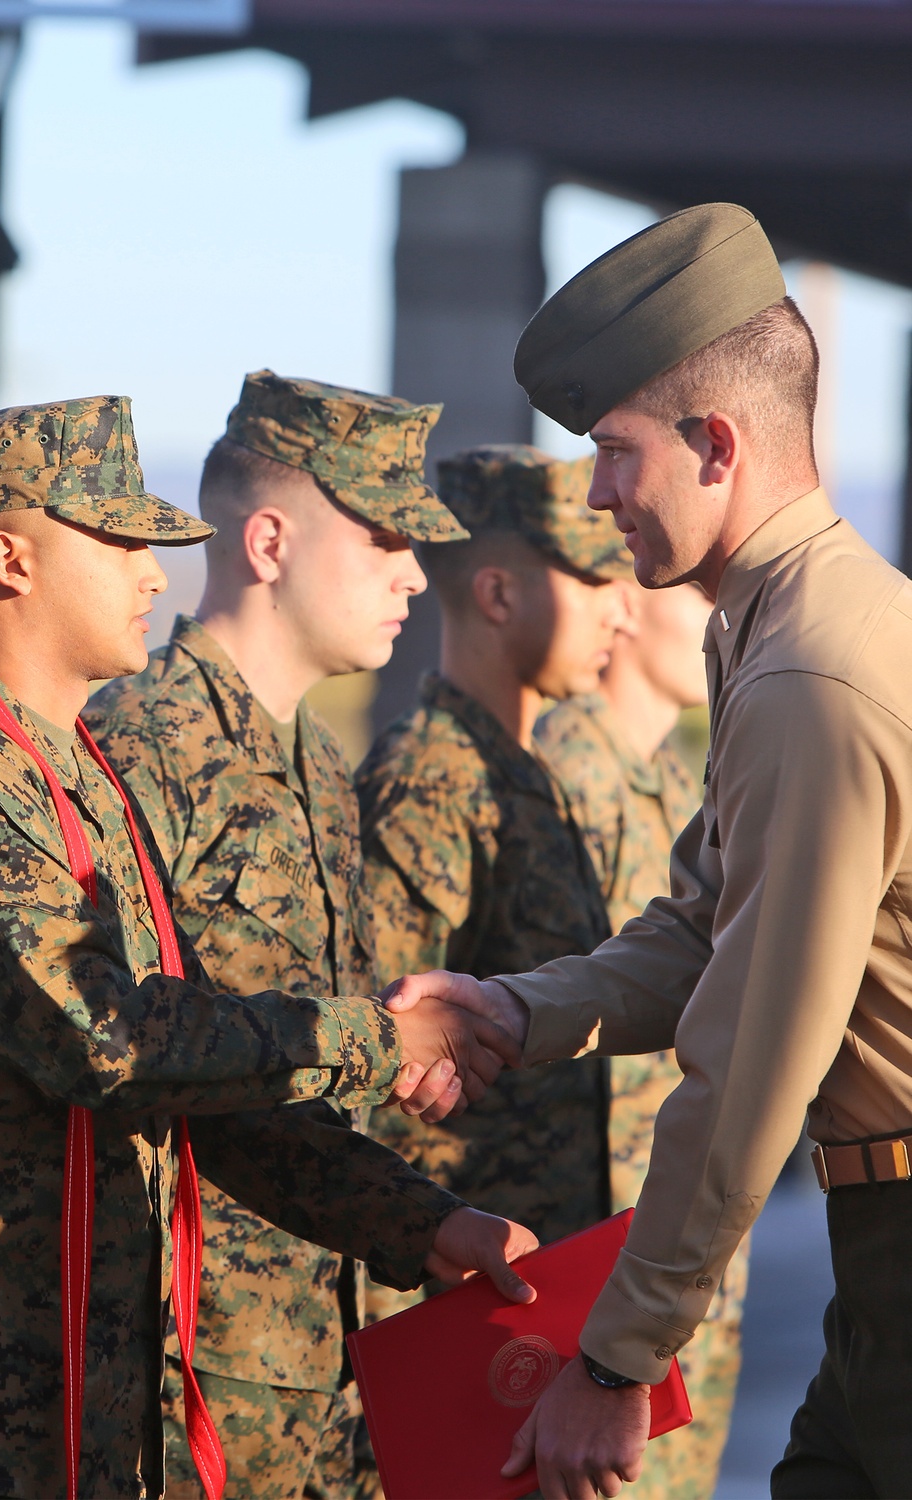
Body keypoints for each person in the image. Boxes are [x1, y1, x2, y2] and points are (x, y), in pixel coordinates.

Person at [0, 395, 536, 1500]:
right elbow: (99, 1034)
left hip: (95, 1406)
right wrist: (377, 1040)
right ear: (10, 557)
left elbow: (200, 1087)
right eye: (117, 540)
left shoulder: (68, 778)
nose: (157, 571)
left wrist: (425, 1226)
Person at [388, 200, 912, 1500]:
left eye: (617, 455)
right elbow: (700, 926)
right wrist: (515, 1005)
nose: (600, 495)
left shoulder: (807, 676)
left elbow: (748, 1060)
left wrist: (617, 1362)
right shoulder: (791, 621)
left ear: (718, 443)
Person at [86, 369, 470, 1500]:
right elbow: (143, 1056)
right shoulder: (140, 750)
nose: (415, 573)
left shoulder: (319, 765)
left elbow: (304, 1064)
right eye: (384, 538)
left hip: (327, 1353)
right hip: (187, 1370)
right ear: (267, 541)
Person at [357, 445, 629, 1258]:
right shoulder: (429, 779)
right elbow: (385, 1057)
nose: (621, 613)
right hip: (462, 1274)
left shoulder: (527, 770)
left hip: (540, 1253)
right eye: (591, 582)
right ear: (498, 593)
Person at [536, 577, 744, 1500]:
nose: (715, 619)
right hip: (590, 1255)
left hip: (674, 1254)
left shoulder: (678, 777)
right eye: (692, 597)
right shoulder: (558, 771)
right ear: (623, 605)